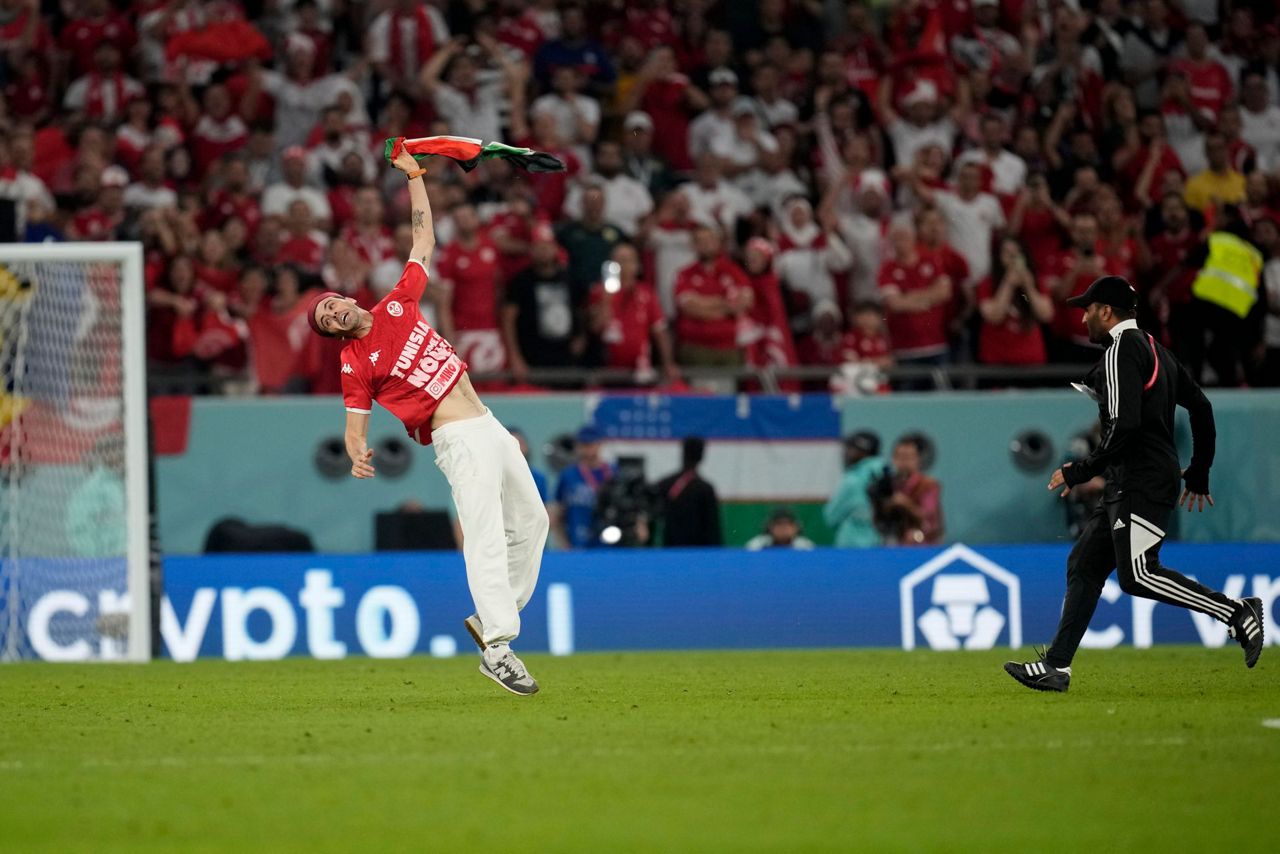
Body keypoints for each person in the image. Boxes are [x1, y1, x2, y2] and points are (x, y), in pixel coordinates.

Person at [306, 148, 547, 697]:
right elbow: (353, 421)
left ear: (345, 297)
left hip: (487, 422)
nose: (333, 313)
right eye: (325, 321)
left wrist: (415, 176)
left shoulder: (396, 303)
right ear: (336, 334)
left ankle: (492, 622)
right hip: (457, 437)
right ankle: (500, 646)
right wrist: (356, 450)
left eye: (331, 305)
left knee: (533, 523)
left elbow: (423, 239)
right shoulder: (354, 362)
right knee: (484, 533)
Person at [1005, 276, 1265, 693]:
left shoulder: (1119, 351)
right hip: (1133, 479)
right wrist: (1199, 469)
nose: (1085, 316)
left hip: (1140, 479)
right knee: (1085, 565)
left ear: (1106, 312)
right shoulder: (1155, 349)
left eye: (1088, 309)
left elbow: (1123, 426)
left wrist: (1080, 469)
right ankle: (1056, 667)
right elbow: (1201, 406)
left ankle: (1235, 611)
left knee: (1138, 574)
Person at [552, 425, 613, 549]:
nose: (587, 449)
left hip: (609, 544)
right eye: (583, 444)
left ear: (599, 444)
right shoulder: (568, 475)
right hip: (577, 544)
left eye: (590, 444)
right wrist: (564, 545)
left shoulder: (612, 473)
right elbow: (557, 514)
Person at [875, 434, 943, 546]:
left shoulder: (927, 485)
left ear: (918, 459)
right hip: (895, 543)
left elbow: (928, 515)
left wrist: (905, 504)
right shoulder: (890, 484)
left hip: (924, 544)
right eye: (899, 457)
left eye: (908, 457)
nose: (903, 462)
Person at [653, 435, 722, 546]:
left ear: (683, 454)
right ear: (701, 456)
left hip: (670, 549)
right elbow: (713, 527)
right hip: (698, 552)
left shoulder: (665, 484)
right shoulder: (706, 489)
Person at [823, 431, 886, 548]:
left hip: (852, 546)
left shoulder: (853, 480)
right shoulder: (888, 473)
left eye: (852, 449)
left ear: (863, 452)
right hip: (883, 544)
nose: (847, 453)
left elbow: (830, 516)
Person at [745, 507, 815, 551]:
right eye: (779, 524)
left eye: (788, 524)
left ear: (796, 528)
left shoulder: (805, 546)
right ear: (770, 527)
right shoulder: (757, 545)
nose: (783, 527)